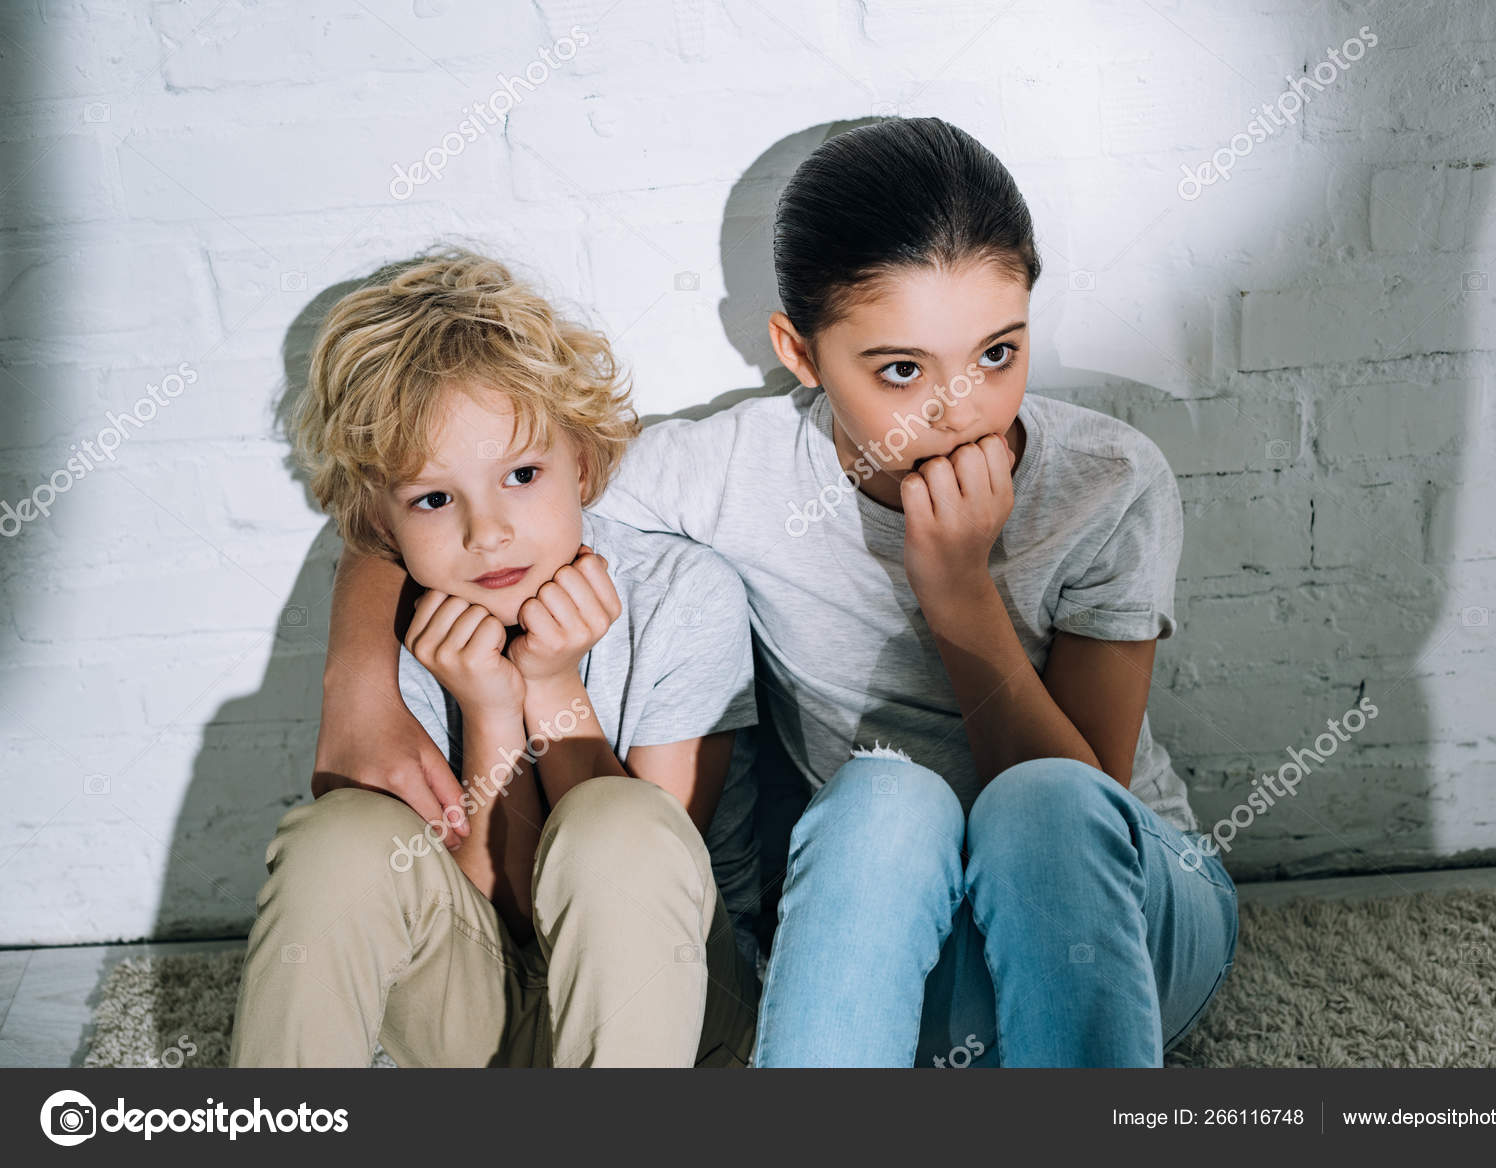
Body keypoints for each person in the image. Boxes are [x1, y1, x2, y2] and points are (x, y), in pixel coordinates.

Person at [309, 118, 1238, 1067]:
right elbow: (459, 491)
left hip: (1120, 925)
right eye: (903, 370)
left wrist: (958, 592)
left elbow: (1084, 799)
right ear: (800, 353)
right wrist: (359, 690)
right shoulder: (736, 472)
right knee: (881, 797)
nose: (962, 410)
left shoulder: (1109, 481)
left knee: (1041, 807)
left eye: (998, 353)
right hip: (893, 936)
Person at [230, 250, 761, 1068]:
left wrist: (550, 686)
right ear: (383, 522)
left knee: (616, 822)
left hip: (674, 1019)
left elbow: (637, 891)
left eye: (521, 473)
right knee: (338, 841)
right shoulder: (414, 635)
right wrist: (488, 711)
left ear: (581, 464)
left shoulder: (687, 597)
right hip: (484, 1020)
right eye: (435, 499)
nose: (488, 533)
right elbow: (505, 911)